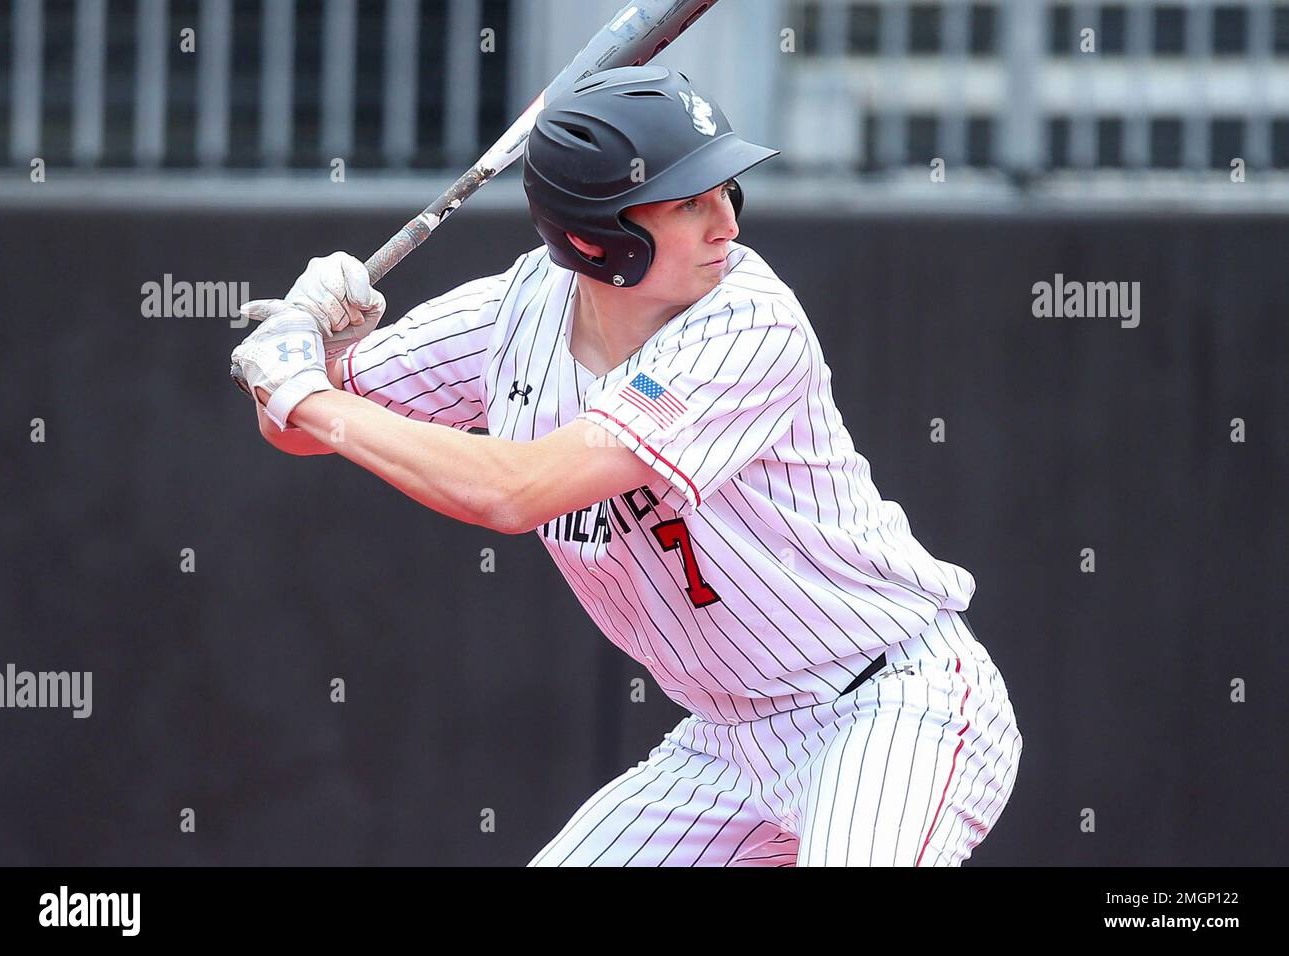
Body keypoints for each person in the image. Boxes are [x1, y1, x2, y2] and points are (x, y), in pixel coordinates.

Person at [230, 65, 1022, 866]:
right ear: (591, 238)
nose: (727, 225)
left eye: (725, 191)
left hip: (887, 705)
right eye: (688, 203)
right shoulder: (518, 311)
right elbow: (302, 429)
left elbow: (513, 493)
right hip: (728, 743)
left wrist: (305, 389)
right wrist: (314, 354)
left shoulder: (750, 323)